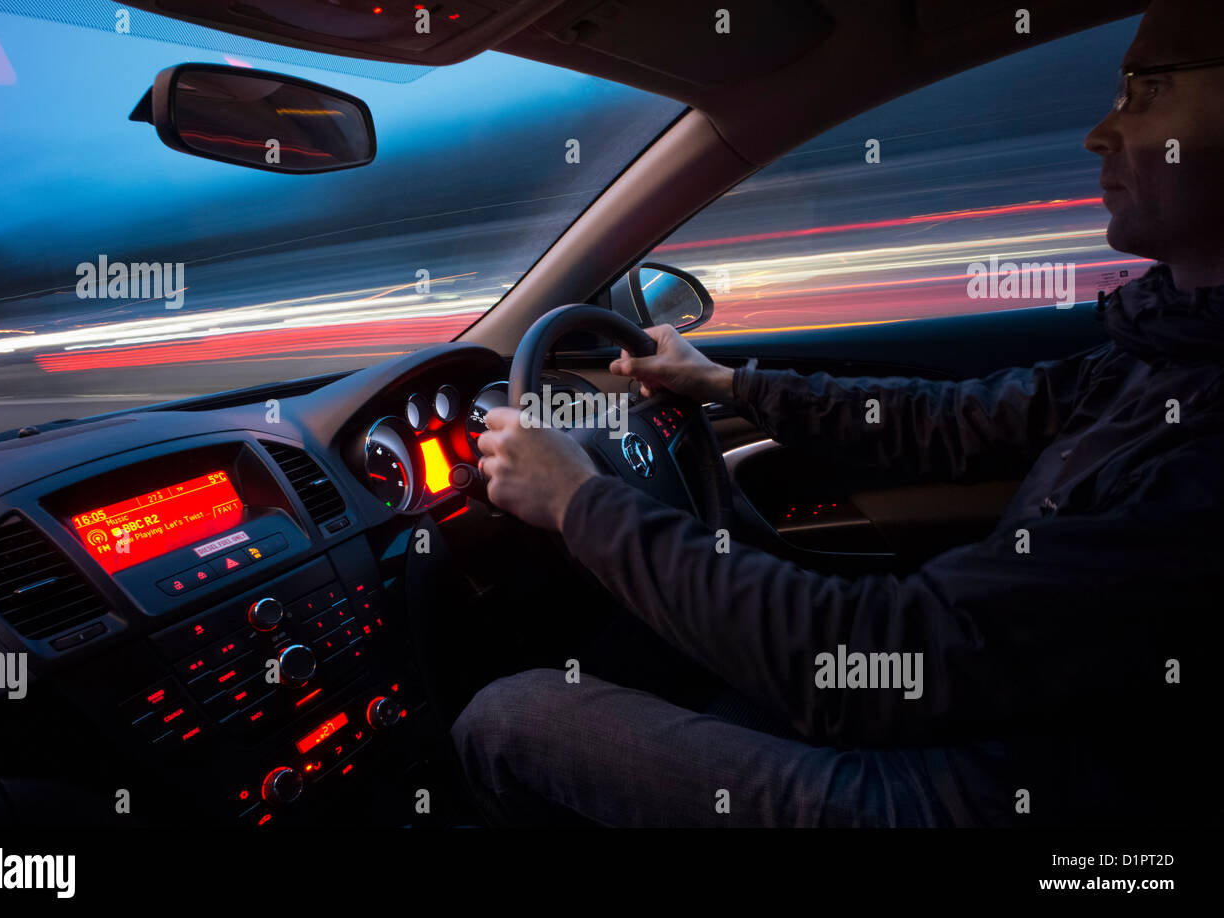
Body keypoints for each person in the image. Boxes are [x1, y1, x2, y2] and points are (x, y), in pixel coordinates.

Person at [454, 0, 1224, 826]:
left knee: (509, 718)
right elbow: (964, 418)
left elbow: (870, 665)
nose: (1099, 134)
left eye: (1146, 92)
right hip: (1007, 732)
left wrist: (576, 500)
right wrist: (728, 387)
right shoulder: (1170, 343)